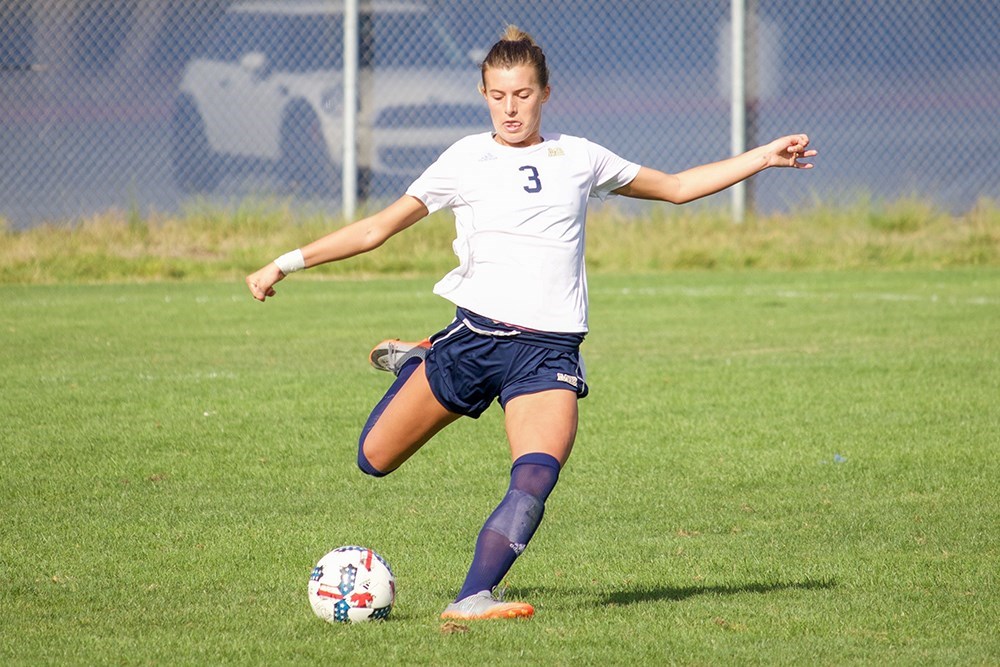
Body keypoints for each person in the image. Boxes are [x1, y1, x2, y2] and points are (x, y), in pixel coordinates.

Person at [246, 25, 816, 621]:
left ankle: (471, 598)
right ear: (483, 94)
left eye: (522, 94)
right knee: (374, 458)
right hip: (472, 343)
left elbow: (675, 188)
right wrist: (283, 263)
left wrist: (763, 157)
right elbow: (374, 230)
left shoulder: (580, 157)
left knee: (537, 475)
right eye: (497, 95)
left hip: (548, 354)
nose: (510, 107)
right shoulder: (466, 158)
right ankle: (424, 355)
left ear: (545, 93)